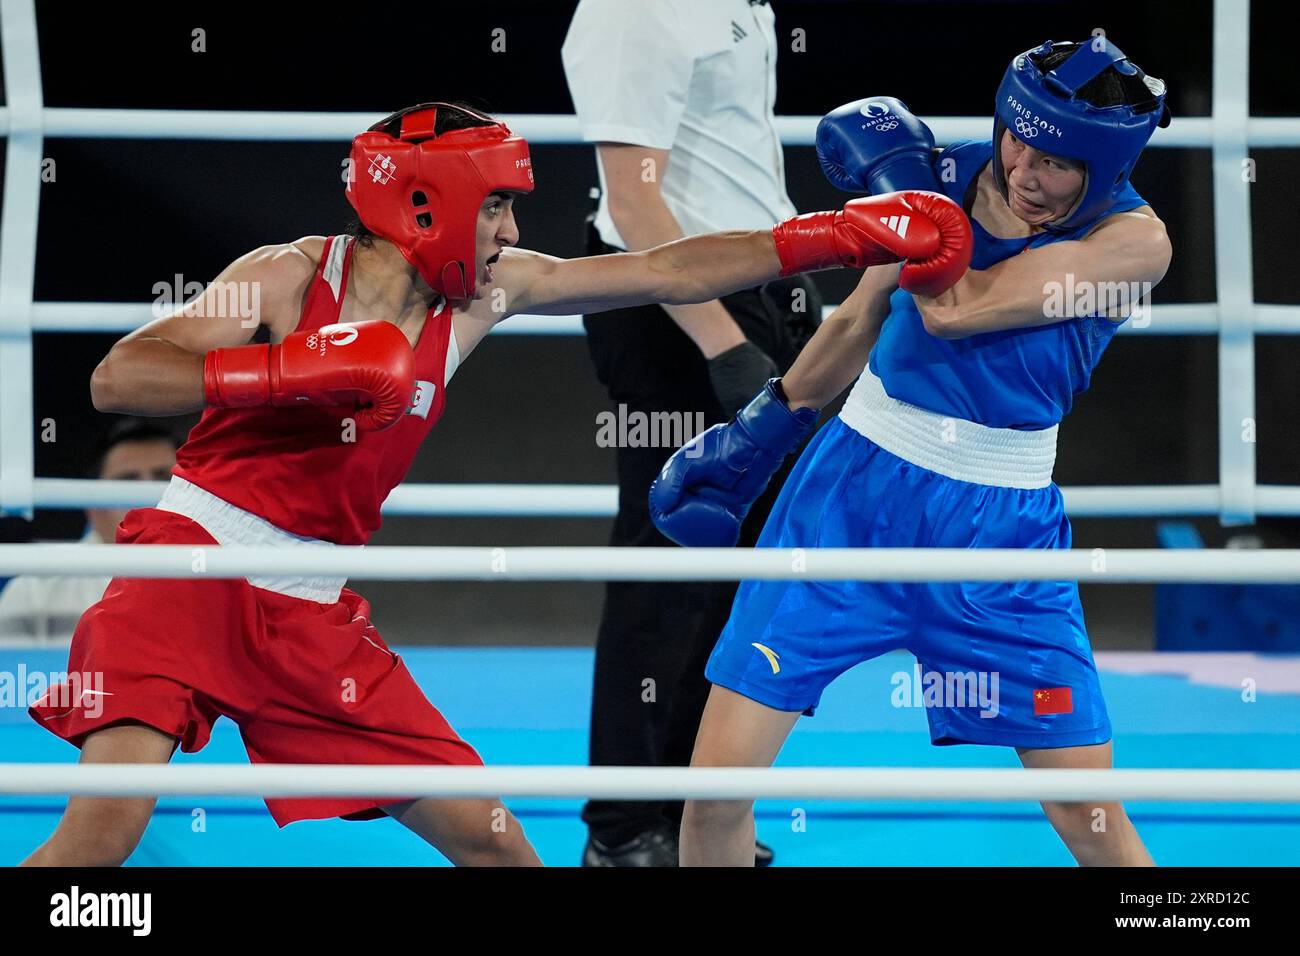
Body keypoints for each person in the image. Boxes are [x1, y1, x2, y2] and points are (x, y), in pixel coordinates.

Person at [22, 101, 970, 866]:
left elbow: (662, 270)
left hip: (307, 605)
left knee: (493, 841)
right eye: (497, 208)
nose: (513, 228)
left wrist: (835, 237)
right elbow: (119, 377)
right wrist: (281, 372)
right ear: (426, 205)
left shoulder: (486, 292)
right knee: (101, 836)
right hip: (185, 575)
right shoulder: (285, 275)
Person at [651, 38, 1172, 866]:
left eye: (1058, 162)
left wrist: (911, 199)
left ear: (1104, 169)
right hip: (850, 495)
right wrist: (767, 429)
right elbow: (860, 317)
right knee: (715, 789)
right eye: (1018, 142)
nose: (1027, 172)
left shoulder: (1133, 245)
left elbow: (958, 311)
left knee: (1087, 812)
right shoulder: (950, 173)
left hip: (1001, 534)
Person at [561, 0, 820, 866]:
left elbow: (731, 158)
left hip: (754, 286)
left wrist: (791, 291)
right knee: (665, 561)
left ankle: (695, 821)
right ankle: (627, 829)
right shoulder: (633, 11)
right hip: (677, 311)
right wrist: (727, 347)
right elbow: (637, 208)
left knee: (732, 569)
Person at [0, 419, 178, 645]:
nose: (147, 495)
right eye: (127, 481)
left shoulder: (226, 573)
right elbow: (10, 675)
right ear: (93, 506)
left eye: (164, 479)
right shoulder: (33, 590)